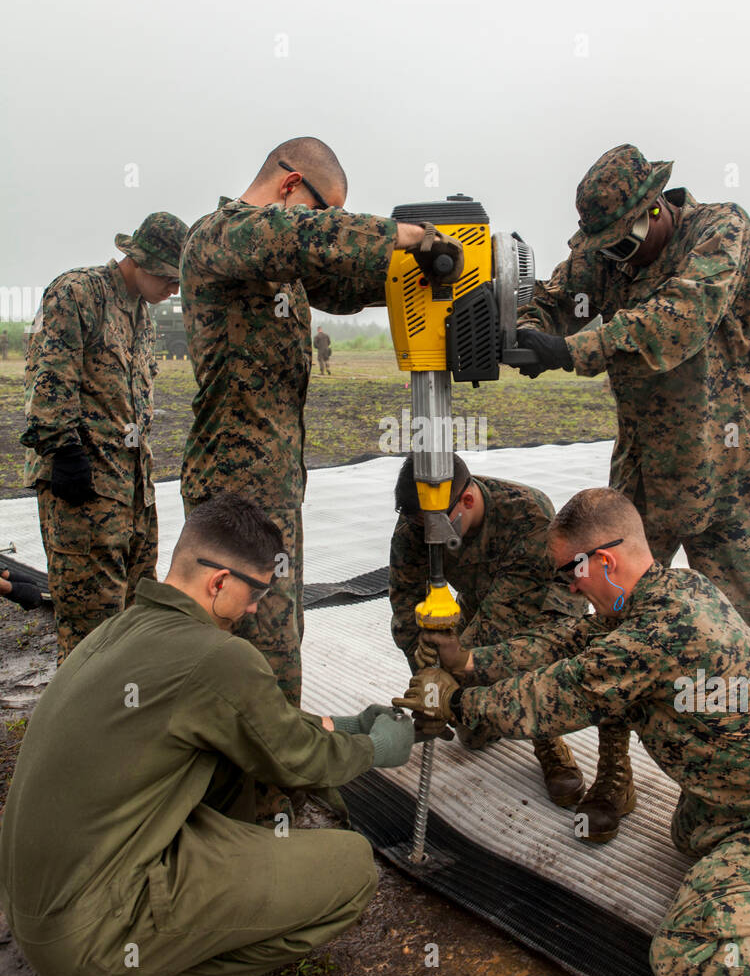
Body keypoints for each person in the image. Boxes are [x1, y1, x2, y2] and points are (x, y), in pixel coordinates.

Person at [399, 488, 750, 976]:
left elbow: (551, 697)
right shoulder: (671, 591)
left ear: (602, 560)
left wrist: (453, 705)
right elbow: (568, 644)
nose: (569, 590)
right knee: (689, 835)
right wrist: (467, 663)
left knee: (687, 961)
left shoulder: (658, 634)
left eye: (567, 573)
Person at [0, 493, 415, 976]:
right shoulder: (215, 655)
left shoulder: (123, 630)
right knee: (351, 869)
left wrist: (344, 723)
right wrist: (374, 748)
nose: (254, 610)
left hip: (40, 904)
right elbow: (293, 758)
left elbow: (253, 722)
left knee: (224, 763)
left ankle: (155, 939)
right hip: (90, 929)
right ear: (220, 581)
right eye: (257, 592)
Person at [180, 135, 461, 704]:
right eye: (322, 209)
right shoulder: (222, 234)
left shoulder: (282, 263)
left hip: (272, 483)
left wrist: (428, 266)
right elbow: (304, 238)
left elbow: (348, 278)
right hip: (234, 488)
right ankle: (262, 785)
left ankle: (266, 776)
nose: (328, 223)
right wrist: (405, 234)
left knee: (276, 638)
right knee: (255, 652)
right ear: (289, 184)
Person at [516, 144, 750, 684]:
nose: (616, 257)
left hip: (725, 477)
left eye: (622, 241)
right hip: (643, 481)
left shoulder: (720, 230)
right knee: (618, 623)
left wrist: (573, 351)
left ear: (655, 209)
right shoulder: (604, 256)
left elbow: (681, 317)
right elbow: (550, 298)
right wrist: (531, 330)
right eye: (606, 247)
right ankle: (616, 762)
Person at [390, 454, 601, 815]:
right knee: (474, 735)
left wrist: (448, 677)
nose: (427, 538)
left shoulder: (527, 514)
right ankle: (490, 709)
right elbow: (406, 607)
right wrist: (426, 676)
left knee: (515, 660)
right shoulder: (418, 520)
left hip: (543, 609)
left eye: (434, 529)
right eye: (419, 526)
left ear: (467, 502)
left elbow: (503, 621)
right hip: (479, 600)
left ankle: (547, 737)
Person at [19, 212, 188, 659]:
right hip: (83, 489)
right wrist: (64, 450)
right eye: (169, 279)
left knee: (134, 622)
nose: (174, 291)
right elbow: (50, 377)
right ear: (138, 261)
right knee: (90, 634)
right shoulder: (78, 292)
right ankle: (80, 725)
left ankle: (123, 720)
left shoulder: (143, 316)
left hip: (131, 491)